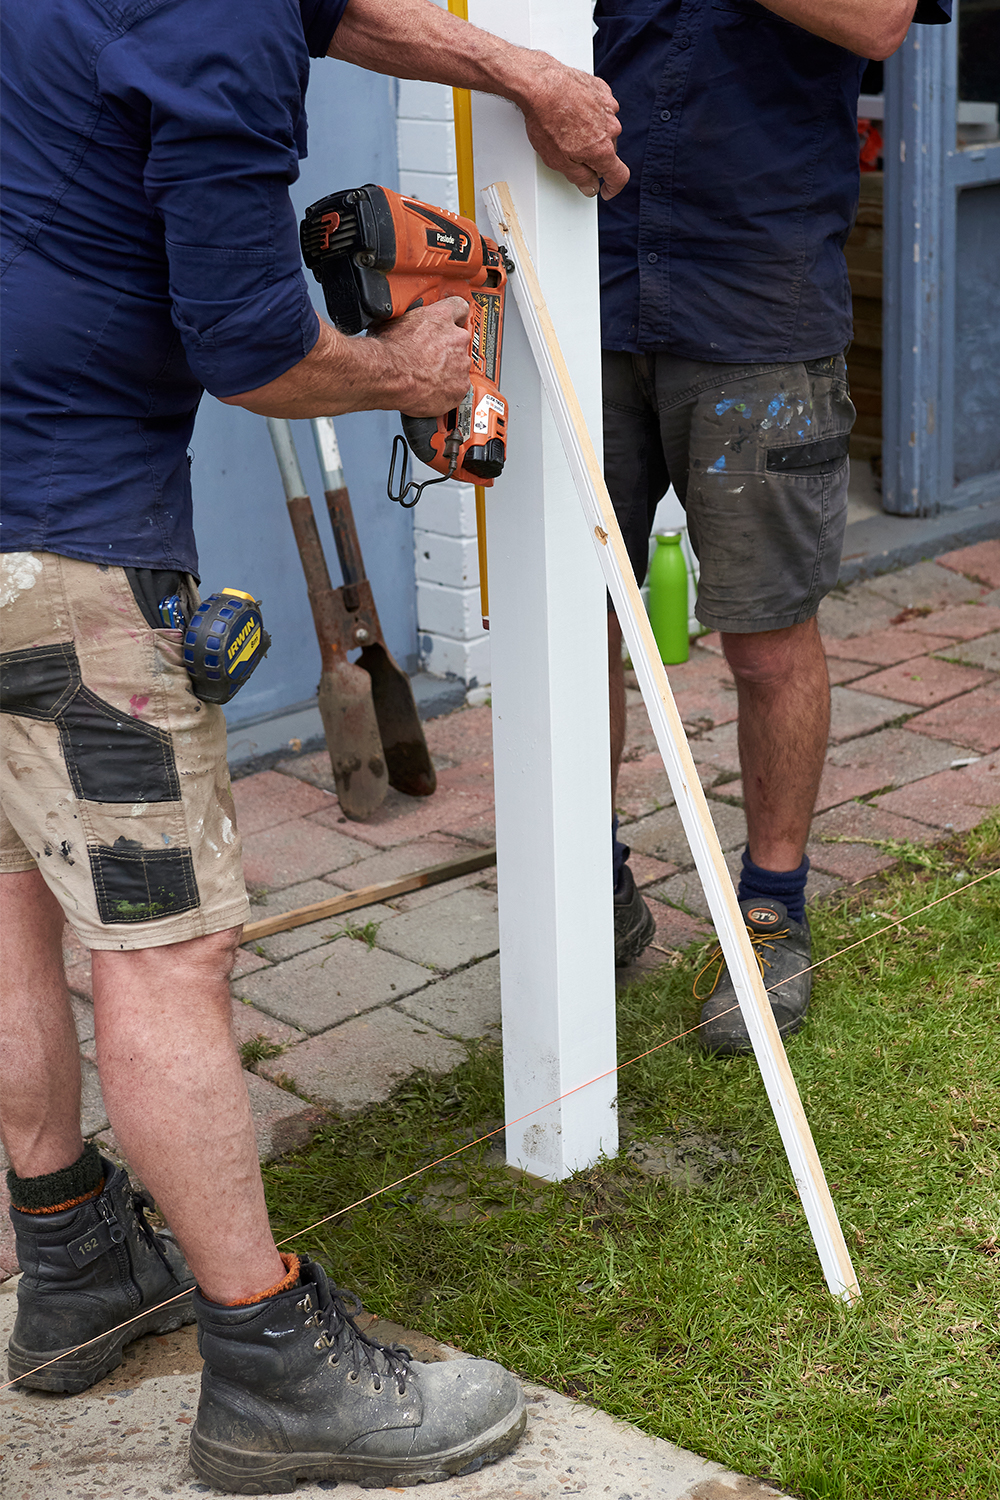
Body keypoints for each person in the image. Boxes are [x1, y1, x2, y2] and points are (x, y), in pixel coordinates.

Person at [0, 0, 625, 1486]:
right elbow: (252, 348)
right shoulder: (213, 24)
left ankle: (75, 1260)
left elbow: (324, 5)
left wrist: (517, 65)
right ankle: (271, 1364)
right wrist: (411, 366)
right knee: (163, 951)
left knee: (13, 890)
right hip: (64, 547)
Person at [599, 0, 951, 1051]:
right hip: (590, 283)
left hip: (757, 304)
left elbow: (880, 18)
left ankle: (770, 906)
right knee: (583, 627)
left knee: (763, 638)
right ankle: (593, 879)